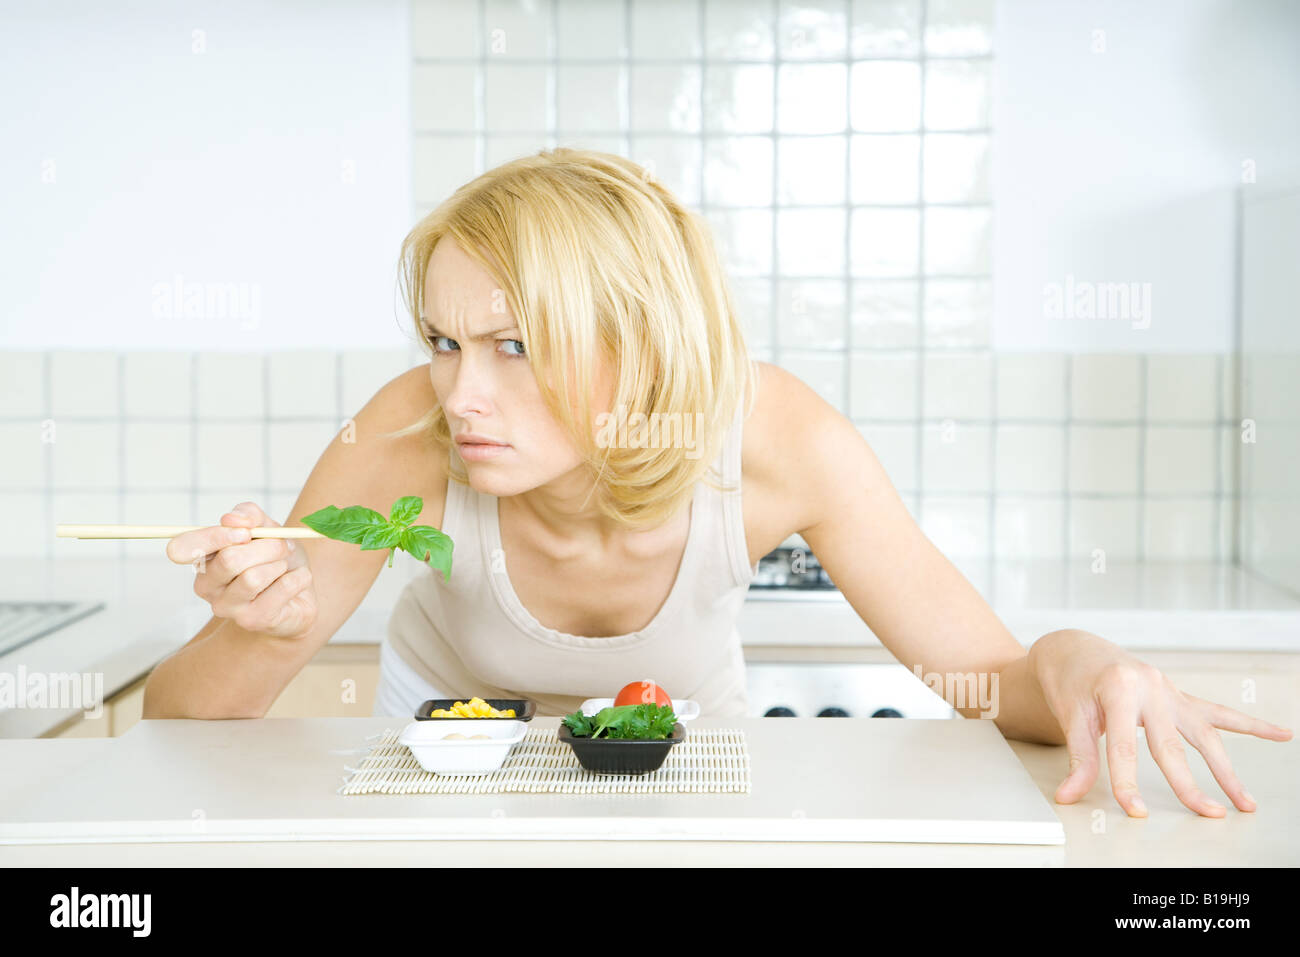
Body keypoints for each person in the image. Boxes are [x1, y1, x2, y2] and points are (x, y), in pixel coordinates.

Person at [144, 147, 1291, 819]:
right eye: (444, 341)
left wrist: (1079, 661)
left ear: (643, 342)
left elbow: (989, 684)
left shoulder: (777, 438)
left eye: (518, 345)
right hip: (445, 768)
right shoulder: (401, 433)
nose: (459, 395)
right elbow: (183, 732)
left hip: (695, 768)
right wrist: (261, 630)